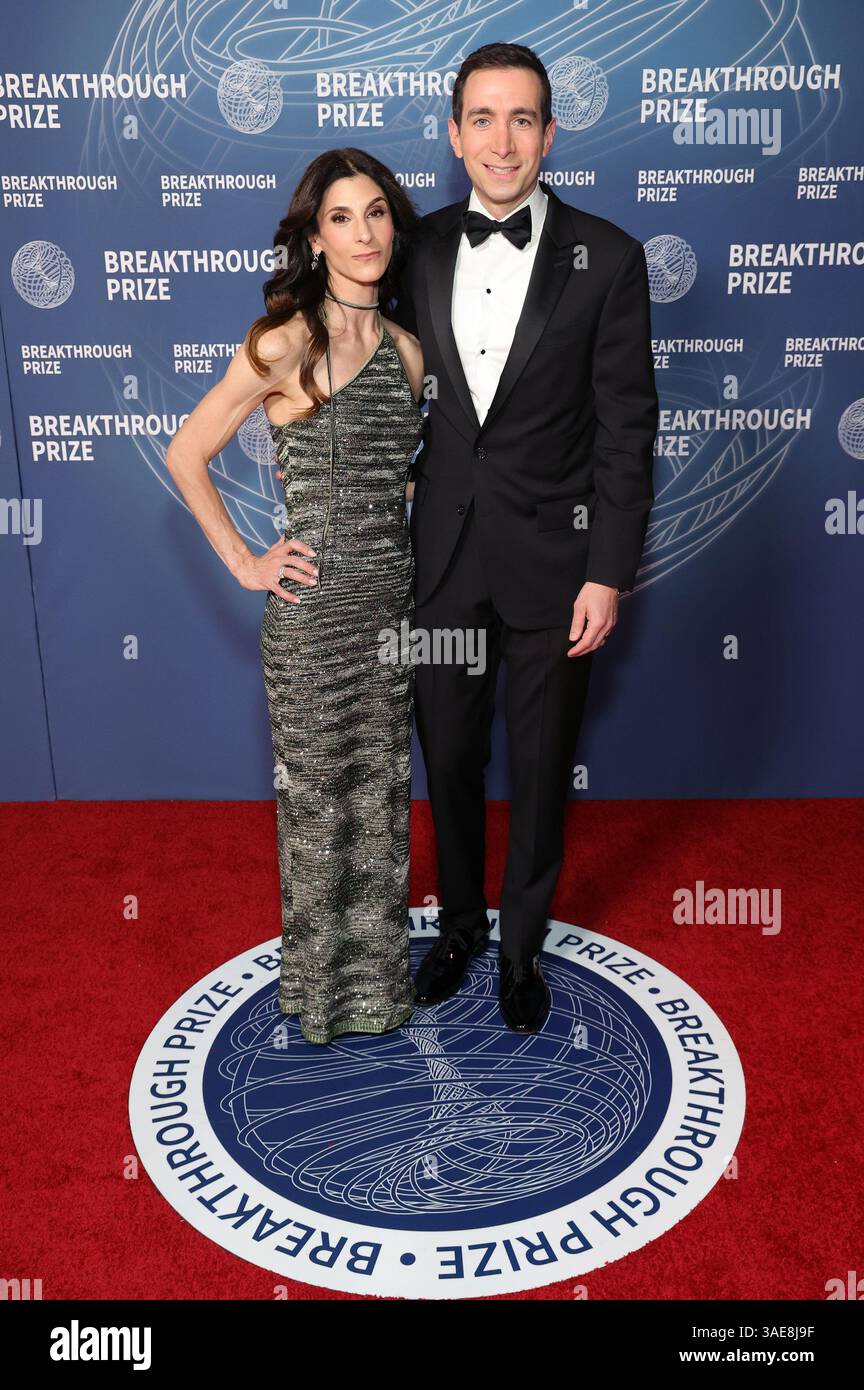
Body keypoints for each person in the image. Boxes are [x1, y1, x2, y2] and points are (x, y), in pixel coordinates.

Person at [390, 42, 659, 1033]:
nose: (503, 140)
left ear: (550, 133)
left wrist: (609, 571)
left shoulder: (609, 258)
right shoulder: (410, 250)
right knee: (450, 755)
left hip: (559, 563)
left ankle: (520, 951)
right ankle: (459, 925)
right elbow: (361, 369)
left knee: (542, 767)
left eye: (523, 119)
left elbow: (629, 426)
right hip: (441, 565)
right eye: (483, 119)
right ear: (455, 134)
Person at [166, 149, 425, 1045]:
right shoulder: (285, 341)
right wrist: (246, 562)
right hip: (312, 622)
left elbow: (402, 488)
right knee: (320, 806)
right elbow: (186, 452)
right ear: (315, 239)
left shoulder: (406, 351)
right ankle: (319, 999)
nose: (365, 234)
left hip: (391, 615)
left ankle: (375, 991)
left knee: (381, 799)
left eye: (378, 213)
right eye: (344, 218)